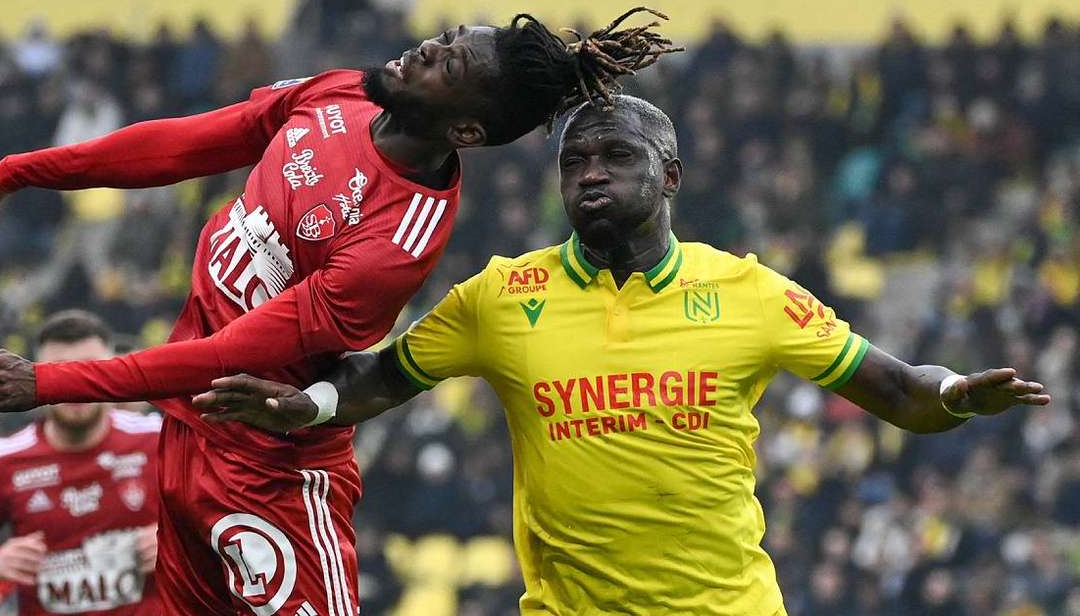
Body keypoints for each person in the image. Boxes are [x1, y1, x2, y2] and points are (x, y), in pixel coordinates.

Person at [189, 96, 1050, 616]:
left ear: (670, 176)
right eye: (575, 162)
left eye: (616, 156)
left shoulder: (747, 291)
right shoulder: (502, 296)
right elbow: (383, 375)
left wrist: (956, 395)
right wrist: (309, 405)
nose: (591, 173)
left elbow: (899, 389)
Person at [0, 10, 680, 616]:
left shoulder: (394, 243)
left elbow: (224, 355)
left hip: (269, 472)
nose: (427, 49)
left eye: (449, 66)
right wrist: (21, 171)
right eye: (446, 38)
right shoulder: (343, 93)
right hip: (183, 439)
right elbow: (185, 145)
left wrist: (47, 381)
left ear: (465, 132)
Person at [0, 310, 161, 615]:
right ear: (33, 378)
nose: (75, 384)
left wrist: (177, 542)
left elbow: (213, 515)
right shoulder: (3, 460)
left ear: (112, 371)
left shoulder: (157, 439)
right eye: (59, 370)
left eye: (90, 368)